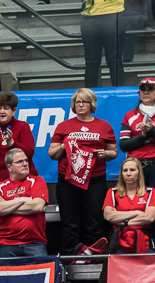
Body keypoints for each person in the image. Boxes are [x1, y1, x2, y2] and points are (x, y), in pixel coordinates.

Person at [49, 89, 117, 255]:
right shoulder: (64, 126)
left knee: (94, 220)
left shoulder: (104, 126)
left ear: (91, 104)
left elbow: (113, 152)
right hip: (68, 179)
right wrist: (64, 145)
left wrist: (104, 153)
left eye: (84, 101)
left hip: (95, 180)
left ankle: (94, 257)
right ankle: (70, 257)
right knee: (69, 221)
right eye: (77, 102)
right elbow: (52, 154)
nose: (80, 105)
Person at [0, 93, 36, 253]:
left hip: (19, 184)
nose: (2, 111)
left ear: (14, 110)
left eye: (6, 108)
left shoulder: (22, 127)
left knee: (21, 223)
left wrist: (12, 144)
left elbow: (29, 153)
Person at [103, 156, 155, 254]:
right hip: (120, 242)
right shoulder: (113, 192)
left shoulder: (150, 192)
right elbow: (109, 216)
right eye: (125, 170)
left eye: (132, 170)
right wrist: (137, 212)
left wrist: (124, 222)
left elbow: (149, 217)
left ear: (139, 173)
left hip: (145, 242)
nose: (128, 174)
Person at [80, 0, 125, 90]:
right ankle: (89, 96)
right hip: (88, 15)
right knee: (91, 61)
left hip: (113, 12)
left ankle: (119, 94)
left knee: (114, 60)